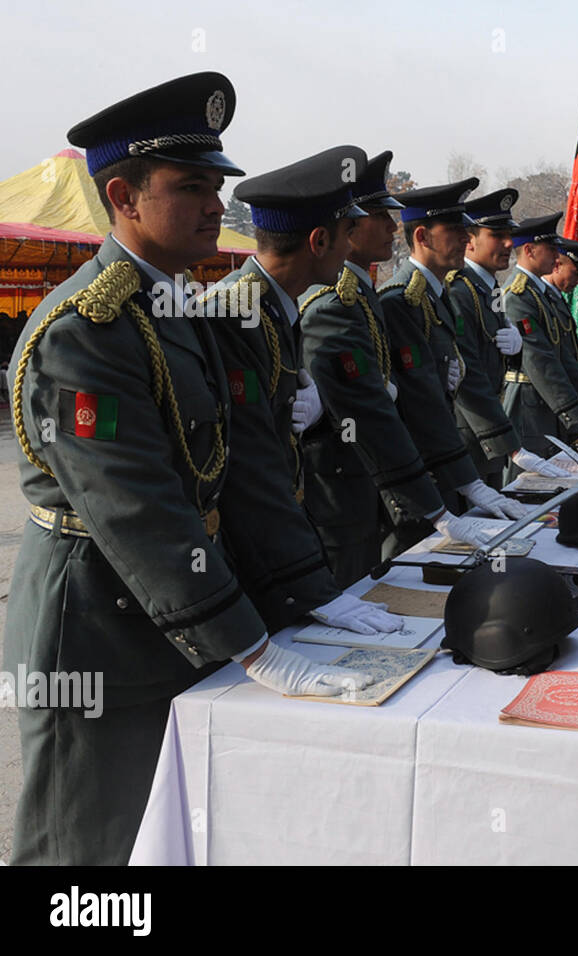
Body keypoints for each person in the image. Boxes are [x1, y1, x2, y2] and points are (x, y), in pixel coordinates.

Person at [5, 73, 374, 866]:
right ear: (123, 197)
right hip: (97, 627)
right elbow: (137, 508)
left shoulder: (168, 307)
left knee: (164, 834)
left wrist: (306, 598)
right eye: (192, 187)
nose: (217, 205)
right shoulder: (89, 328)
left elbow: (234, 475)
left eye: (217, 186)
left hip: (170, 613)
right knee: (88, 844)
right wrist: (249, 641)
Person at [206, 144, 404, 635]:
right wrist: (312, 586)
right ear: (318, 241)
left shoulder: (276, 308)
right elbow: (248, 468)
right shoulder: (235, 314)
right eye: (347, 233)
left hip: (285, 527)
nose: (350, 246)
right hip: (253, 543)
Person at [299, 151, 484, 587]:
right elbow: (370, 409)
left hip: (377, 476)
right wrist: (437, 507)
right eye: (377, 215)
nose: (389, 227)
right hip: (342, 483)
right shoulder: (341, 301)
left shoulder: (363, 295)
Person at [377, 180, 527, 520]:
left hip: (447, 457)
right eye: (455, 228)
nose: (465, 237)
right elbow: (421, 400)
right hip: (423, 466)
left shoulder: (435, 295)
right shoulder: (402, 300)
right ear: (422, 237)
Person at [446, 189, 570, 485]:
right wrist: (510, 446)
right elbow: (469, 374)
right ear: (471, 239)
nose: (507, 243)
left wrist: (513, 352)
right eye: (496, 235)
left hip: (491, 430)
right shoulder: (460, 290)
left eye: (509, 235)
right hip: (471, 432)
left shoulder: (489, 289)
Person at [500, 213, 578, 461]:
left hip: (548, 404)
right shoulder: (519, 295)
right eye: (550, 248)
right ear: (529, 250)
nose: (557, 256)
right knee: (529, 489)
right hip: (528, 406)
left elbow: (563, 358)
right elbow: (540, 361)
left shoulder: (539, 293)